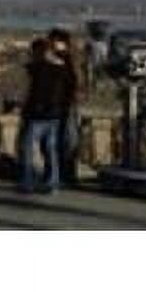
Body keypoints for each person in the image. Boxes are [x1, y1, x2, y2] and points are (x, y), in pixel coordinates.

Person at [19, 35, 67, 194]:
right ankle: (52, 183)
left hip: (37, 115)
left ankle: (28, 181)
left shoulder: (37, 68)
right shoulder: (61, 67)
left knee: (27, 148)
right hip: (55, 114)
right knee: (50, 149)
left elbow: (29, 89)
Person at [49, 27, 81, 184]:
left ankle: (67, 174)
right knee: (59, 141)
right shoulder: (58, 61)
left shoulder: (69, 61)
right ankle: (61, 173)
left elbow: (74, 84)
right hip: (59, 106)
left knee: (67, 140)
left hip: (66, 107)